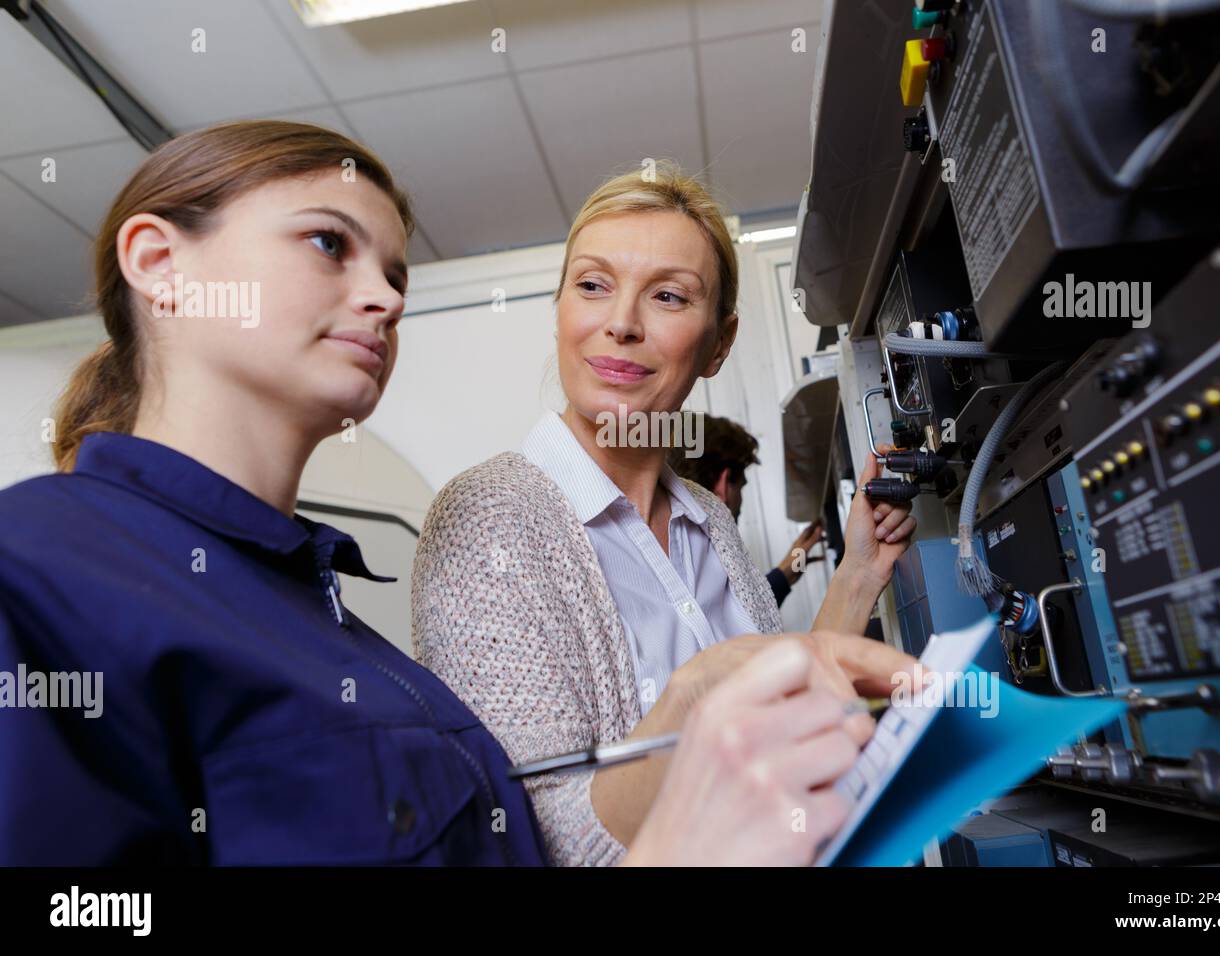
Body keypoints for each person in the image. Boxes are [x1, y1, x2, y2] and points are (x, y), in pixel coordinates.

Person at [0, 121, 917, 867]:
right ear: (159, 265)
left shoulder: (320, 607)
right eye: (329, 243)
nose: (389, 299)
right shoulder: (45, 570)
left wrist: (855, 583)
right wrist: (688, 725)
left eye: (395, 274)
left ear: (716, 344)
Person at [412, 162, 918, 865]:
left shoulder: (708, 515)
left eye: (669, 297)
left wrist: (859, 574)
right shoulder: (487, 519)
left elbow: (788, 711)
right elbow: (536, 835)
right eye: (592, 286)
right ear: (560, 310)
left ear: (719, 343)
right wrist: (693, 702)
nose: (620, 324)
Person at [667, 412, 831, 608]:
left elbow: (749, 611)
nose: (741, 498)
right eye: (741, 486)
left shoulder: (675, 550)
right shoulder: (709, 562)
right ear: (724, 484)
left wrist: (791, 569)